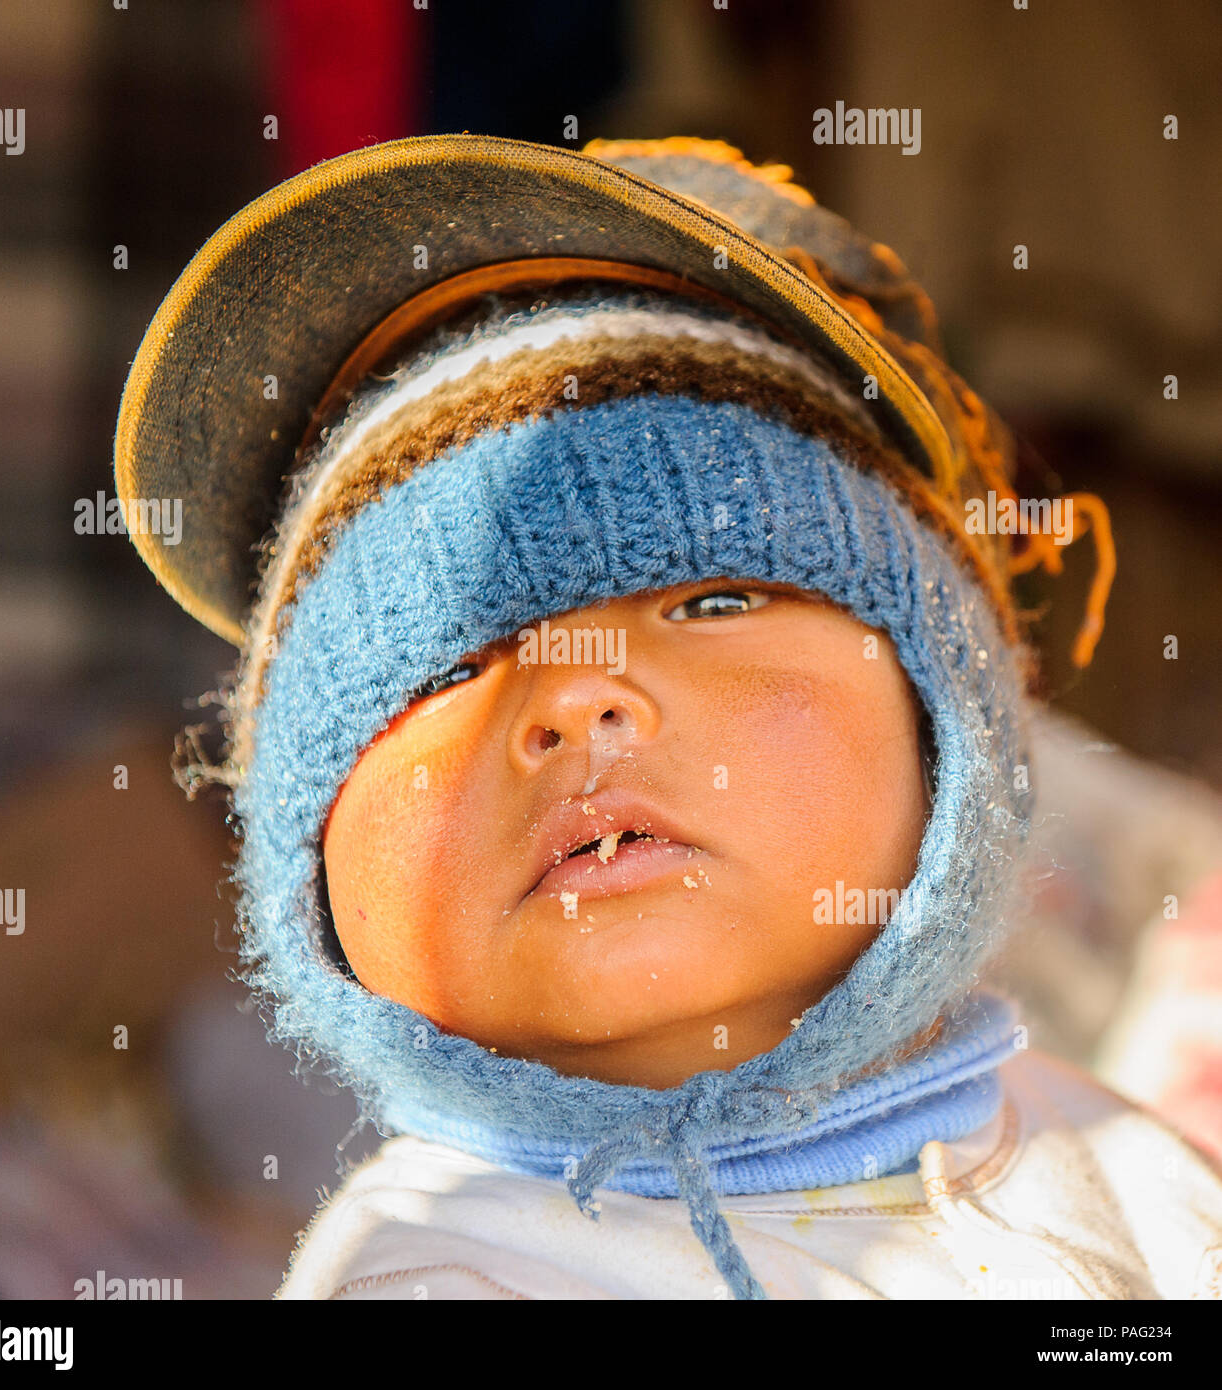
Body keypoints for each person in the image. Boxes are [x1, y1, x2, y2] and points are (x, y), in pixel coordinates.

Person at [114, 134, 1222, 1299]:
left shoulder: (1139, 1180)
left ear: (954, 724)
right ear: (304, 880)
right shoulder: (442, 1278)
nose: (578, 693)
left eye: (716, 596)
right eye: (442, 671)